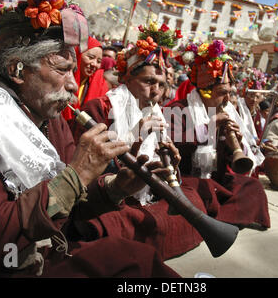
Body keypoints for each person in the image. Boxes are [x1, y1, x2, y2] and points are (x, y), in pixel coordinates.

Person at [0, 0, 179, 278]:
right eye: (63, 70)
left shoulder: (49, 117)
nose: (73, 84)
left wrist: (116, 187)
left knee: (135, 257)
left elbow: (70, 212)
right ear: (17, 70)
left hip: (47, 252)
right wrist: (76, 174)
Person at [69, 25, 210, 260]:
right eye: (148, 81)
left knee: (195, 196)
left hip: (146, 194)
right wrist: (137, 134)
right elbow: (85, 168)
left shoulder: (157, 111)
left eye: (161, 84)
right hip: (111, 195)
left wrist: (172, 166)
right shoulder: (99, 107)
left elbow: (157, 165)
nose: (156, 91)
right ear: (127, 78)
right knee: (115, 221)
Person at [166, 40, 271, 231]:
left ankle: (214, 217)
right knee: (197, 194)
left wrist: (236, 145)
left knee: (252, 188)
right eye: (223, 93)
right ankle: (219, 217)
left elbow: (232, 164)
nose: (228, 99)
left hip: (215, 180)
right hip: (188, 178)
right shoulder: (177, 109)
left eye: (230, 93)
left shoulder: (226, 112)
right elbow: (171, 145)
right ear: (205, 92)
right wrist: (209, 127)